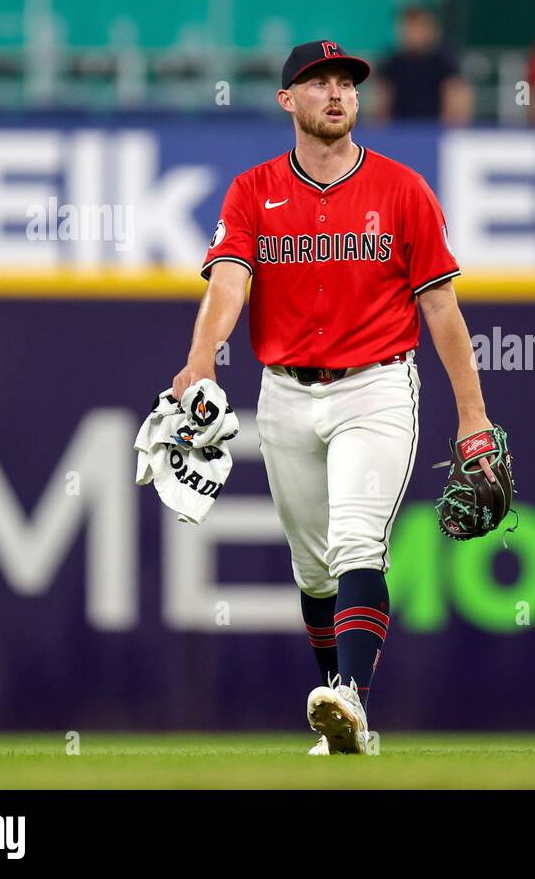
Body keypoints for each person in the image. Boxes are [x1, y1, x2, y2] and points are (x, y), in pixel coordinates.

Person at [173, 40, 497, 755]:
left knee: (357, 541)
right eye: (317, 83)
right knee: (313, 567)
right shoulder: (252, 190)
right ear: (288, 100)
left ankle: (349, 693)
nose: (335, 93)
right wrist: (201, 359)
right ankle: (339, 709)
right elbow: (229, 283)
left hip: (376, 385)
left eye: (345, 83)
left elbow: (442, 309)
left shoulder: (403, 189)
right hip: (285, 392)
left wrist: (472, 414)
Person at [375, 6, 473, 124]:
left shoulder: (445, 61)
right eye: (409, 27)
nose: (414, 33)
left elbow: (456, 97)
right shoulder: (392, 63)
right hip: (400, 129)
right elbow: (383, 101)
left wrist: (450, 126)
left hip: (434, 129)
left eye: (418, 27)